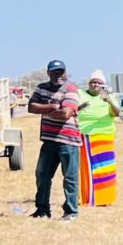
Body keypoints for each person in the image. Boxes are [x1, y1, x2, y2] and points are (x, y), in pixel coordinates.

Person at [29, 58, 82, 220]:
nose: (58, 76)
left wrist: (43, 109)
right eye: (54, 72)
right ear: (48, 73)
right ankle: (42, 210)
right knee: (42, 175)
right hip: (49, 140)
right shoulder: (41, 88)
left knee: (70, 178)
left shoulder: (71, 90)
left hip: (68, 141)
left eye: (61, 72)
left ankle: (71, 211)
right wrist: (52, 107)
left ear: (65, 73)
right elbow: (31, 107)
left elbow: (65, 114)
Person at [77, 70, 121, 207]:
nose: (96, 84)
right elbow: (72, 109)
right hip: (86, 135)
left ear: (103, 85)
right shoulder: (80, 95)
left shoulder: (108, 96)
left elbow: (116, 113)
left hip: (105, 136)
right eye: (93, 82)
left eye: (99, 83)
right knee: (89, 169)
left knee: (105, 168)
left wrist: (109, 101)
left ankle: (105, 198)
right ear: (89, 84)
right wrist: (81, 106)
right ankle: (89, 199)